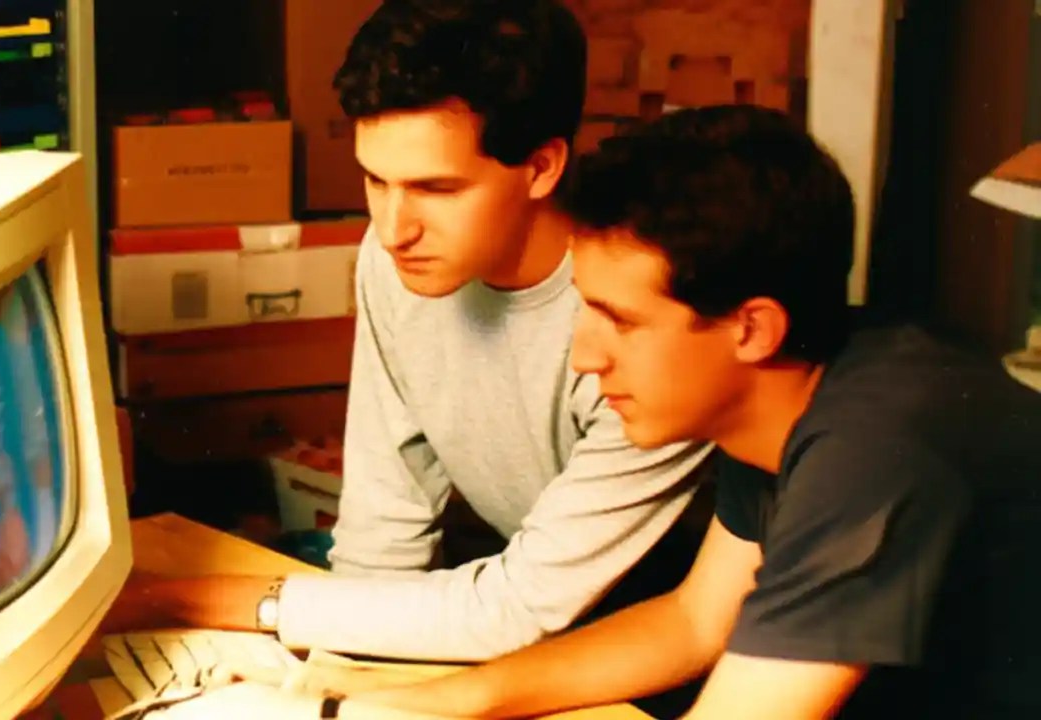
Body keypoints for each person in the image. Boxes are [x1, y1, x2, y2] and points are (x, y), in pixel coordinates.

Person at [270, 104, 1041, 719]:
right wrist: (417, 705)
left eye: (623, 321)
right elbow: (694, 623)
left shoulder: (876, 449)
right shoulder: (780, 399)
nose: (585, 356)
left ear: (751, 327)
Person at [111, 0, 713, 672]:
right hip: (510, 629)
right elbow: (383, 530)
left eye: (436, 188)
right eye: (376, 179)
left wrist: (196, 602)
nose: (395, 228)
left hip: (664, 654)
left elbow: (524, 607)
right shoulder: (395, 257)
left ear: (541, 167)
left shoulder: (646, 317)